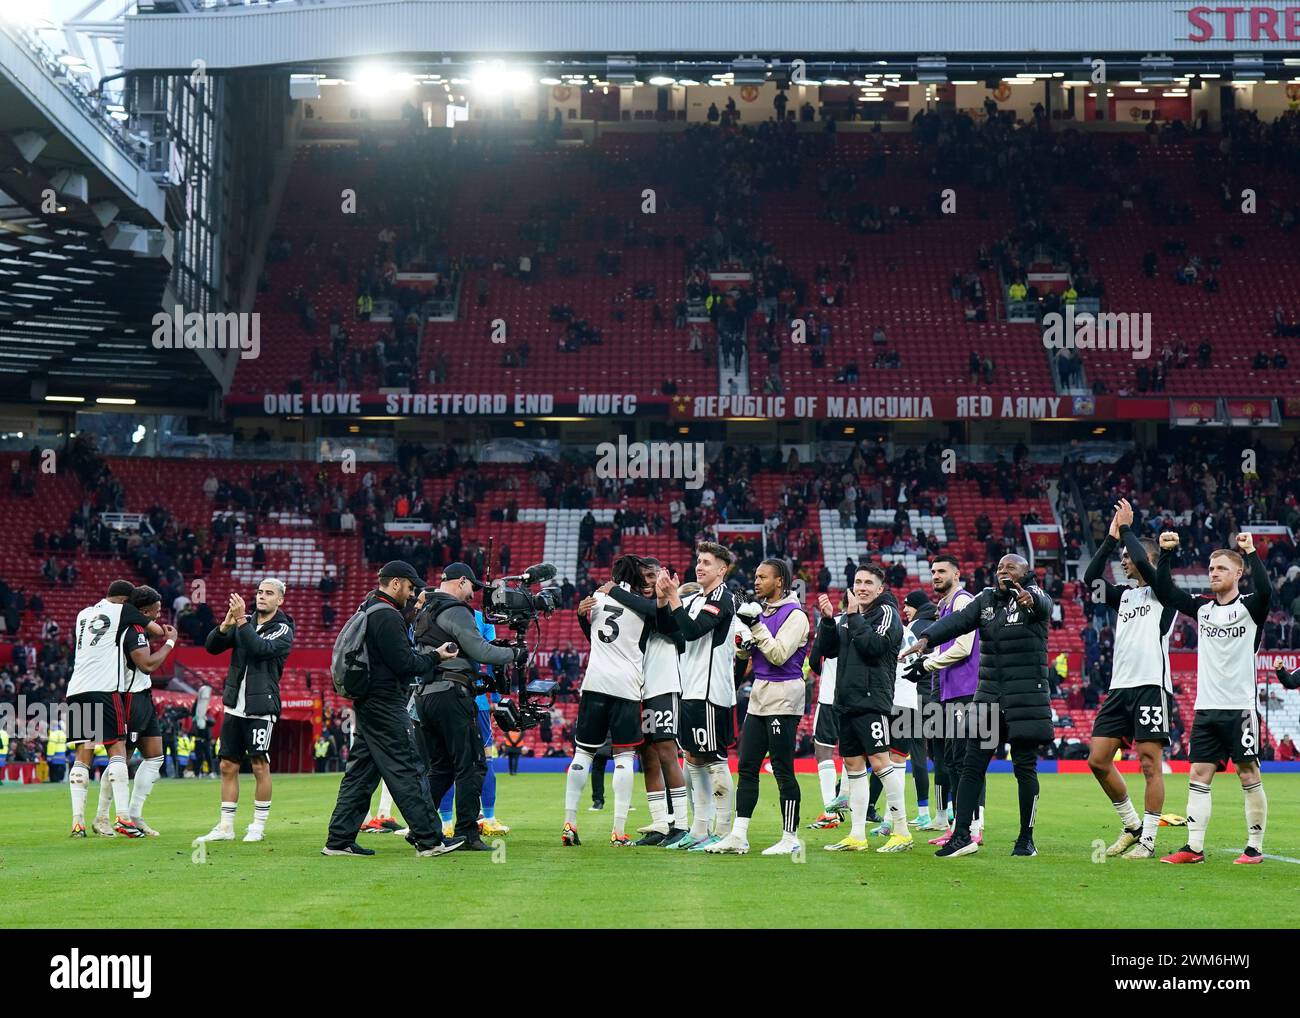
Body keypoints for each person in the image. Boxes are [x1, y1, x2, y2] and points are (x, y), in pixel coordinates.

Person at [901, 554, 1053, 858]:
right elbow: (958, 621)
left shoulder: (1034, 597)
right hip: (988, 695)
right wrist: (927, 639)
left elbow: (1042, 604)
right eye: (999, 567)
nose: (1003, 572)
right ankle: (962, 836)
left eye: (1011, 567)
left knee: (1024, 768)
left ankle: (1026, 838)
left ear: (1026, 573)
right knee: (971, 765)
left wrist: (1028, 600)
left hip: (1025, 698)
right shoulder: (985, 601)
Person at [322, 561, 461, 858]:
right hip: (386, 703)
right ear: (396, 583)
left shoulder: (368, 608)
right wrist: (436, 657)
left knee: (361, 773)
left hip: (369, 702)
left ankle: (338, 840)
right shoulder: (388, 616)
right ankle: (429, 839)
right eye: (410, 587)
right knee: (408, 768)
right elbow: (404, 664)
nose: (412, 594)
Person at [1154, 531, 1271, 865]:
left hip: (1241, 709)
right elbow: (1166, 591)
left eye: (1221, 568)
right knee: (1198, 775)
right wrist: (1165, 554)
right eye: (1210, 568)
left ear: (1237, 574)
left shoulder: (1250, 608)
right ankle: (1193, 848)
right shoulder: (1203, 609)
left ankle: (1254, 847)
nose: (1213, 572)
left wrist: (1250, 552)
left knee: (1248, 774)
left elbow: (1266, 591)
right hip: (1206, 709)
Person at [1083, 500, 1174, 860]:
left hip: (1151, 685)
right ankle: (1133, 825)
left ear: (1146, 559)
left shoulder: (1163, 589)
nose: (1122, 560)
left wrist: (1127, 529)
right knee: (1097, 760)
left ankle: (1149, 840)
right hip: (1120, 688)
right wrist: (1110, 538)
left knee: (1150, 764)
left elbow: (1148, 565)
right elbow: (1090, 581)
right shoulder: (1123, 597)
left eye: (1126, 555)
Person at [410, 563, 517, 852]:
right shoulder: (455, 610)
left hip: (426, 695)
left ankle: (420, 828)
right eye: (472, 587)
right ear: (460, 582)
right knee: (471, 764)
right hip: (451, 693)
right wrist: (514, 653)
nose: (473, 595)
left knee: (440, 768)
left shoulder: (425, 610)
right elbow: (479, 650)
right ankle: (468, 833)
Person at [707, 558, 809, 856]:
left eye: (763, 577)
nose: (756, 581)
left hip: (785, 696)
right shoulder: (762, 612)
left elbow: (778, 655)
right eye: (756, 576)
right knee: (748, 766)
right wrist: (743, 643)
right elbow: (750, 652)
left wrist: (755, 626)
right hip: (760, 696)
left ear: (780, 582)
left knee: (782, 768)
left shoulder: (796, 615)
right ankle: (739, 835)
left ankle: (790, 837)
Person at [562, 555, 659, 847]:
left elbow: (593, 636)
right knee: (624, 756)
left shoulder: (597, 598)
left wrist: (581, 615)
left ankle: (569, 822)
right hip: (627, 686)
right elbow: (654, 615)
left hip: (594, 683)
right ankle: (618, 830)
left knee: (583, 754)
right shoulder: (642, 607)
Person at [63, 579, 169, 839]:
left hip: (76, 688)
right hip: (105, 689)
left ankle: (78, 823)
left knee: (83, 754)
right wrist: (170, 640)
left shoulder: (83, 614)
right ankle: (121, 816)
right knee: (118, 750)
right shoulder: (123, 611)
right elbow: (156, 631)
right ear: (125, 600)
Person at [816, 565, 910, 854]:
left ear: (880, 589)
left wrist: (854, 616)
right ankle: (857, 835)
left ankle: (902, 831)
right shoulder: (848, 616)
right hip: (846, 701)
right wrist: (829, 621)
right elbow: (826, 652)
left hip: (872, 701)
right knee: (853, 766)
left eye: (869, 582)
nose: (862, 586)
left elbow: (874, 646)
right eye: (858, 581)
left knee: (881, 763)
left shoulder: (887, 614)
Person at [655, 542, 739, 852]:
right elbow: (671, 631)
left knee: (714, 759)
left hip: (710, 691)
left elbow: (692, 631)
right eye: (698, 561)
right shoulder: (693, 600)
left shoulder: (724, 599)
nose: (699, 567)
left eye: (706, 562)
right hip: (689, 688)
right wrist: (665, 601)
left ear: (722, 569)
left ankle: (724, 829)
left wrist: (674, 597)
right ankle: (700, 828)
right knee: (692, 757)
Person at [197, 578, 294, 844]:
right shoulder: (244, 622)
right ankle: (226, 826)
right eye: (260, 592)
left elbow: (260, 649)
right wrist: (227, 623)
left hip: (261, 707)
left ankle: (257, 826)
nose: (262, 596)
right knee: (228, 764)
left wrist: (240, 621)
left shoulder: (283, 628)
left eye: (269, 593)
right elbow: (212, 647)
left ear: (280, 600)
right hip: (235, 707)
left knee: (259, 764)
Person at [908, 555, 982, 840]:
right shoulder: (945, 606)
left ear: (957, 573)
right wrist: (922, 657)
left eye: (942, 571)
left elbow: (963, 648)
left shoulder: (963, 601)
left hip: (967, 691)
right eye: (933, 571)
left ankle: (972, 828)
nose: (935, 575)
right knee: (953, 760)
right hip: (951, 691)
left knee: (964, 761)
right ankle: (957, 828)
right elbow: (945, 649)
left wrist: (926, 664)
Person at [806, 591, 849, 829]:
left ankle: (830, 811)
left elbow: (814, 660)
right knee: (854, 755)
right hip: (859, 698)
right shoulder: (869, 626)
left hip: (830, 697)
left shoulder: (831, 624)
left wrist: (827, 674)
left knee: (824, 751)